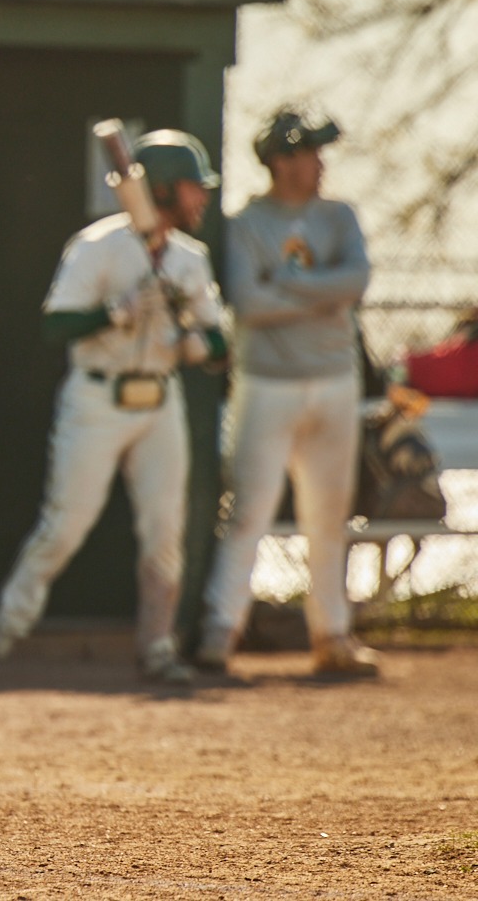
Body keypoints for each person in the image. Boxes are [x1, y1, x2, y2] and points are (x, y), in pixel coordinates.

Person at [0, 131, 227, 684]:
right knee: (65, 526)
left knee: (165, 532)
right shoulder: (97, 246)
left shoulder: (189, 259)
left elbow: (220, 348)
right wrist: (118, 310)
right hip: (96, 397)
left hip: (160, 396)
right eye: (190, 189)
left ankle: (157, 645)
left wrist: (187, 330)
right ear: (160, 190)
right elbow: (55, 325)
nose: (200, 199)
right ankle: (4, 630)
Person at [197, 107, 379, 677]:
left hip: (333, 381)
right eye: (307, 155)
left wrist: (292, 284)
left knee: (329, 516)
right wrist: (320, 298)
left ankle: (332, 635)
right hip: (266, 384)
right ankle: (219, 632)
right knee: (248, 510)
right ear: (280, 162)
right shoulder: (248, 223)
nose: (318, 165)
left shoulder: (339, 217)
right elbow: (248, 305)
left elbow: (356, 281)